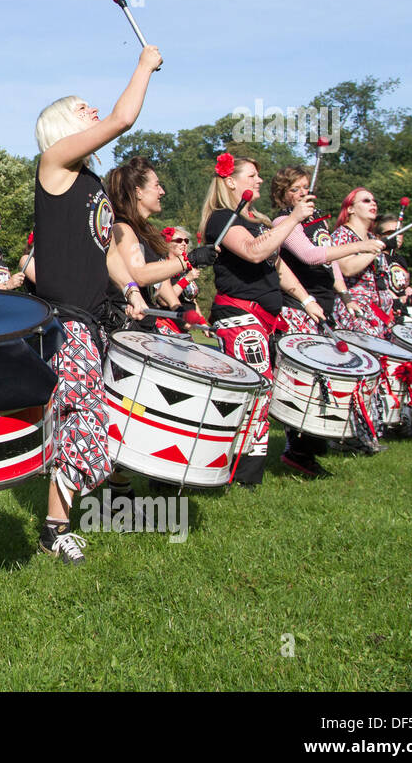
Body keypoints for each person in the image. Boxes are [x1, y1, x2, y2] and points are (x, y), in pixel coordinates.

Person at [25, 48, 158, 565]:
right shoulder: (54, 164)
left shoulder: (91, 184)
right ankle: (56, 528)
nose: (94, 110)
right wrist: (144, 64)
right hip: (62, 319)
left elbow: (104, 251)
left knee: (86, 415)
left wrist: (130, 289)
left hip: (91, 318)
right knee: (78, 413)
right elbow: (125, 117)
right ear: (61, 124)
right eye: (82, 108)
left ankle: (71, 510)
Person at [198, 154, 322, 486]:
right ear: (231, 181)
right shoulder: (221, 220)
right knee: (251, 391)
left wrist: (306, 299)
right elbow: (254, 251)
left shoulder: (256, 219)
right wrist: (293, 219)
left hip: (262, 317)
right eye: (252, 175)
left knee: (260, 393)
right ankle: (235, 472)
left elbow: (275, 266)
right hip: (239, 317)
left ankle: (245, 473)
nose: (259, 180)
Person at [102, 156, 214, 333]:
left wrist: (177, 309)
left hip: (145, 327)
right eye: (156, 185)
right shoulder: (122, 228)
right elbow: (140, 275)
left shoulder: (147, 231)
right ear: (138, 192)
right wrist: (189, 259)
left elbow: (159, 282)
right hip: (125, 328)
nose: (162, 191)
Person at [330, 189, 389, 336]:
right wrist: (373, 250)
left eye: (374, 201)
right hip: (353, 310)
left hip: (379, 314)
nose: (373, 203)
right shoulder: (341, 234)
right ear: (350, 209)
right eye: (366, 200)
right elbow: (346, 269)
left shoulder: (371, 237)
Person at [375, 213, 412, 318]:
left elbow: (402, 288)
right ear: (378, 236)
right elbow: (378, 284)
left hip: (399, 315)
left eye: (400, 232)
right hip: (382, 315)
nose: (397, 236)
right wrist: (396, 299)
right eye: (391, 233)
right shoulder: (376, 257)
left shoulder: (400, 260)